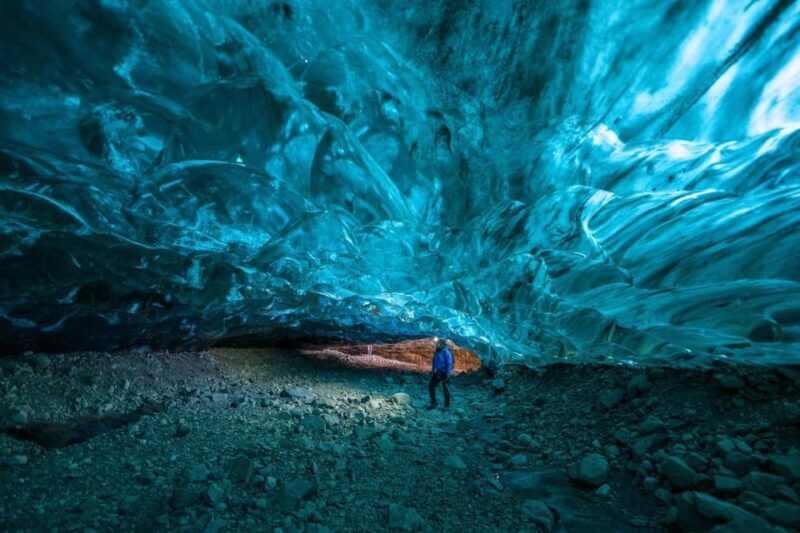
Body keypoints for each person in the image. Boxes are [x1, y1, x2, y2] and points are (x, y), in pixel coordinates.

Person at [428, 338, 453, 410]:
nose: (436, 344)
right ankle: (434, 403)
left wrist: (448, 375)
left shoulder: (446, 352)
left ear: (442, 344)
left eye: (438, 343)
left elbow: (449, 364)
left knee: (445, 389)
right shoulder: (436, 351)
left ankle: (446, 406)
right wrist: (433, 371)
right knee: (431, 386)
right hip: (438, 372)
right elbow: (434, 361)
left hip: (445, 373)